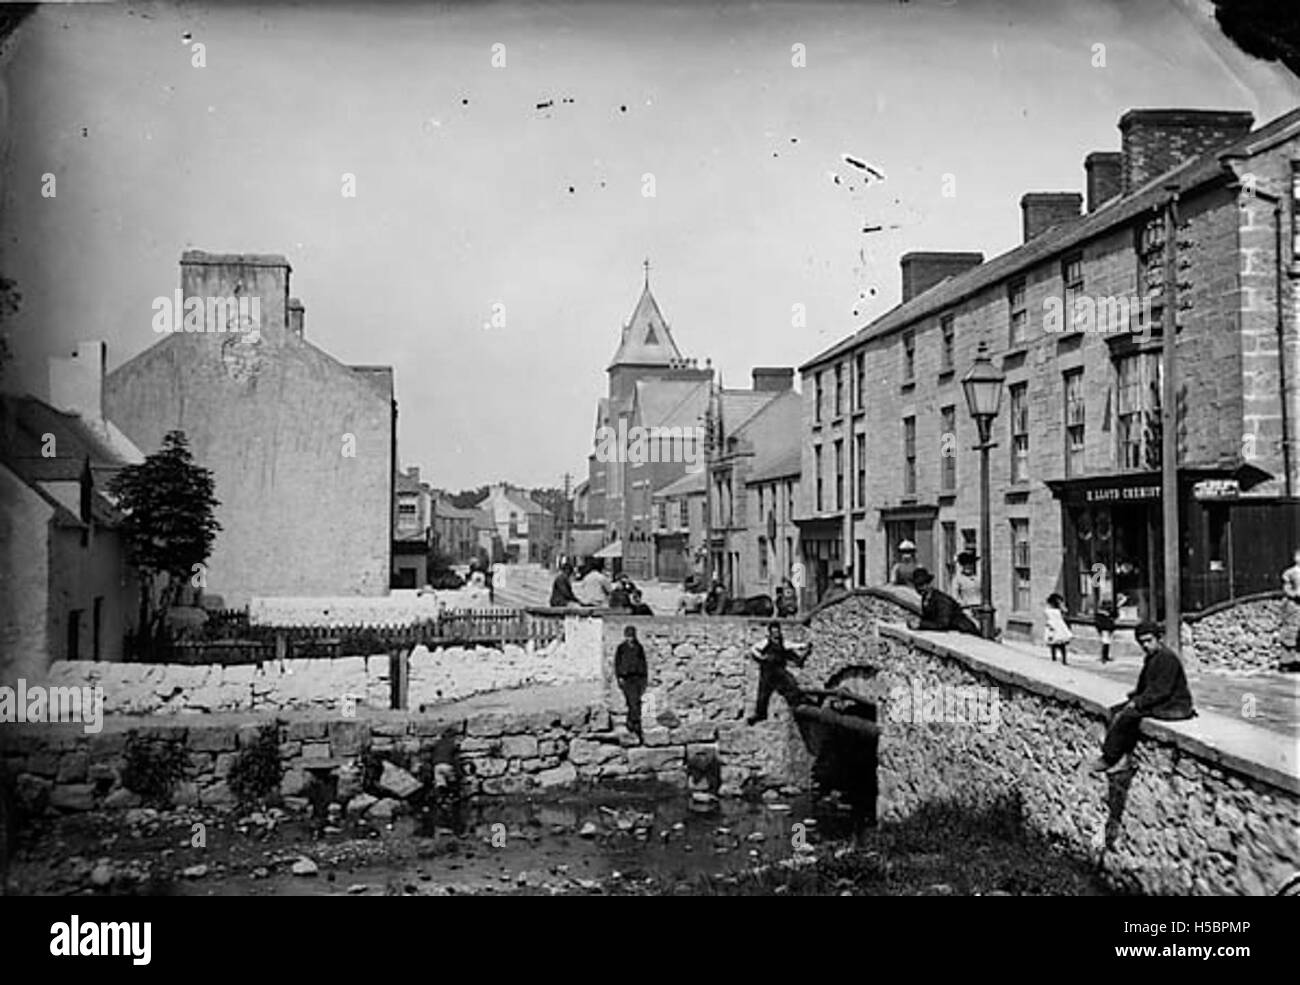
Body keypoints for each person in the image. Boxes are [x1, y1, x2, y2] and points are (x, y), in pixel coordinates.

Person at [1090, 622, 1195, 774]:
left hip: (1175, 706)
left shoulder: (1167, 658)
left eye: (1149, 640)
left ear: (1159, 638)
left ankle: (1110, 757)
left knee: (1128, 715)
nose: (1145, 645)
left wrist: (1138, 702)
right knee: (1116, 710)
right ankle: (1124, 757)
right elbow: (1146, 685)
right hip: (1162, 701)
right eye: (1142, 642)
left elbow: (1162, 690)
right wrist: (1135, 696)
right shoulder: (1152, 657)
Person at [746, 622, 812, 725]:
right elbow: (753, 648)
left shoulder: (783, 642)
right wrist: (761, 657)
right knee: (763, 693)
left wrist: (804, 645)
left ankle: (799, 701)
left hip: (778, 669)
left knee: (790, 682)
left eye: (777, 631)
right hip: (767, 671)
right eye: (774, 632)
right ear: (770, 632)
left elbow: (793, 645)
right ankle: (760, 714)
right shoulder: (765, 642)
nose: (776, 634)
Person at [909, 567, 981, 635]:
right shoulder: (926, 598)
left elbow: (942, 624)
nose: (920, 589)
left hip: (964, 630)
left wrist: (921, 624)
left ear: (928, 584)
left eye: (922, 585)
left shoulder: (941, 600)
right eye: (917, 586)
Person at [614, 625, 648, 741]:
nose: (630, 639)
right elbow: (617, 663)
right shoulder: (621, 648)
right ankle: (634, 724)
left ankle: (631, 723)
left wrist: (644, 678)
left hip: (637, 677)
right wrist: (619, 676)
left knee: (636, 702)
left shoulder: (639, 647)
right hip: (627, 678)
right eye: (628, 636)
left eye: (631, 636)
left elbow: (643, 662)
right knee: (632, 701)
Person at [1280, 548, 1300, 672]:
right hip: (1294, 605)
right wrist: (1294, 594)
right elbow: (1286, 588)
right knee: (1290, 631)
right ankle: (1287, 661)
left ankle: (1297, 659)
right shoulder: (1291, 572)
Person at [1044, 593, 1072, 664]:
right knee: (1056, 642)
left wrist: (1061, 605)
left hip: (1058, 625)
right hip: (1054, 625)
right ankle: (1058, 658)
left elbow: (1065, 611)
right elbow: (1065, 611)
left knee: (1060, 642)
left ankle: (1059, 659)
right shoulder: (1050, 609)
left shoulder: (1052, 609)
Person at [951, 551, 981, 616]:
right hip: (966, 609)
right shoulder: (957, 579)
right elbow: (955, 596)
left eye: (970, 564)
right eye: (966, 564)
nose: (969, 566)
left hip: (979, 608)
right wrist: (964, 605)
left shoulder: (977, 578)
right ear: (962, 565)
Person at [1095, 600, 1117, 664]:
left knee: (1107, 642)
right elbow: (1100, 623)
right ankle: (1104, 657)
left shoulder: (1105, 614)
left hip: (1107, 629)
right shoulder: (1102, 614)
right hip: (1105, 629)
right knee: (1106, 642)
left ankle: (1105, 656)